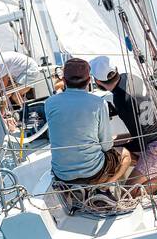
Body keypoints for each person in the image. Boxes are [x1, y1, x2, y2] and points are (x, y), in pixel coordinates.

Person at [89, 56, 157, 192]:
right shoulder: (129, 77)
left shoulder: (122, 99)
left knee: (129, 192)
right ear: (115, 70)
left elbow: (139, 140)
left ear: (97, 81)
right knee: (118, 146)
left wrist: (114, 146)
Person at [45, 57, 131, 186]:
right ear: (89, 81)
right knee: (125, 155)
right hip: (93, 173)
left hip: (62, 175)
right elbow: (106, 145)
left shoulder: (49, 103)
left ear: (64, 81)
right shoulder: (99, 103)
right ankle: (103, 188)